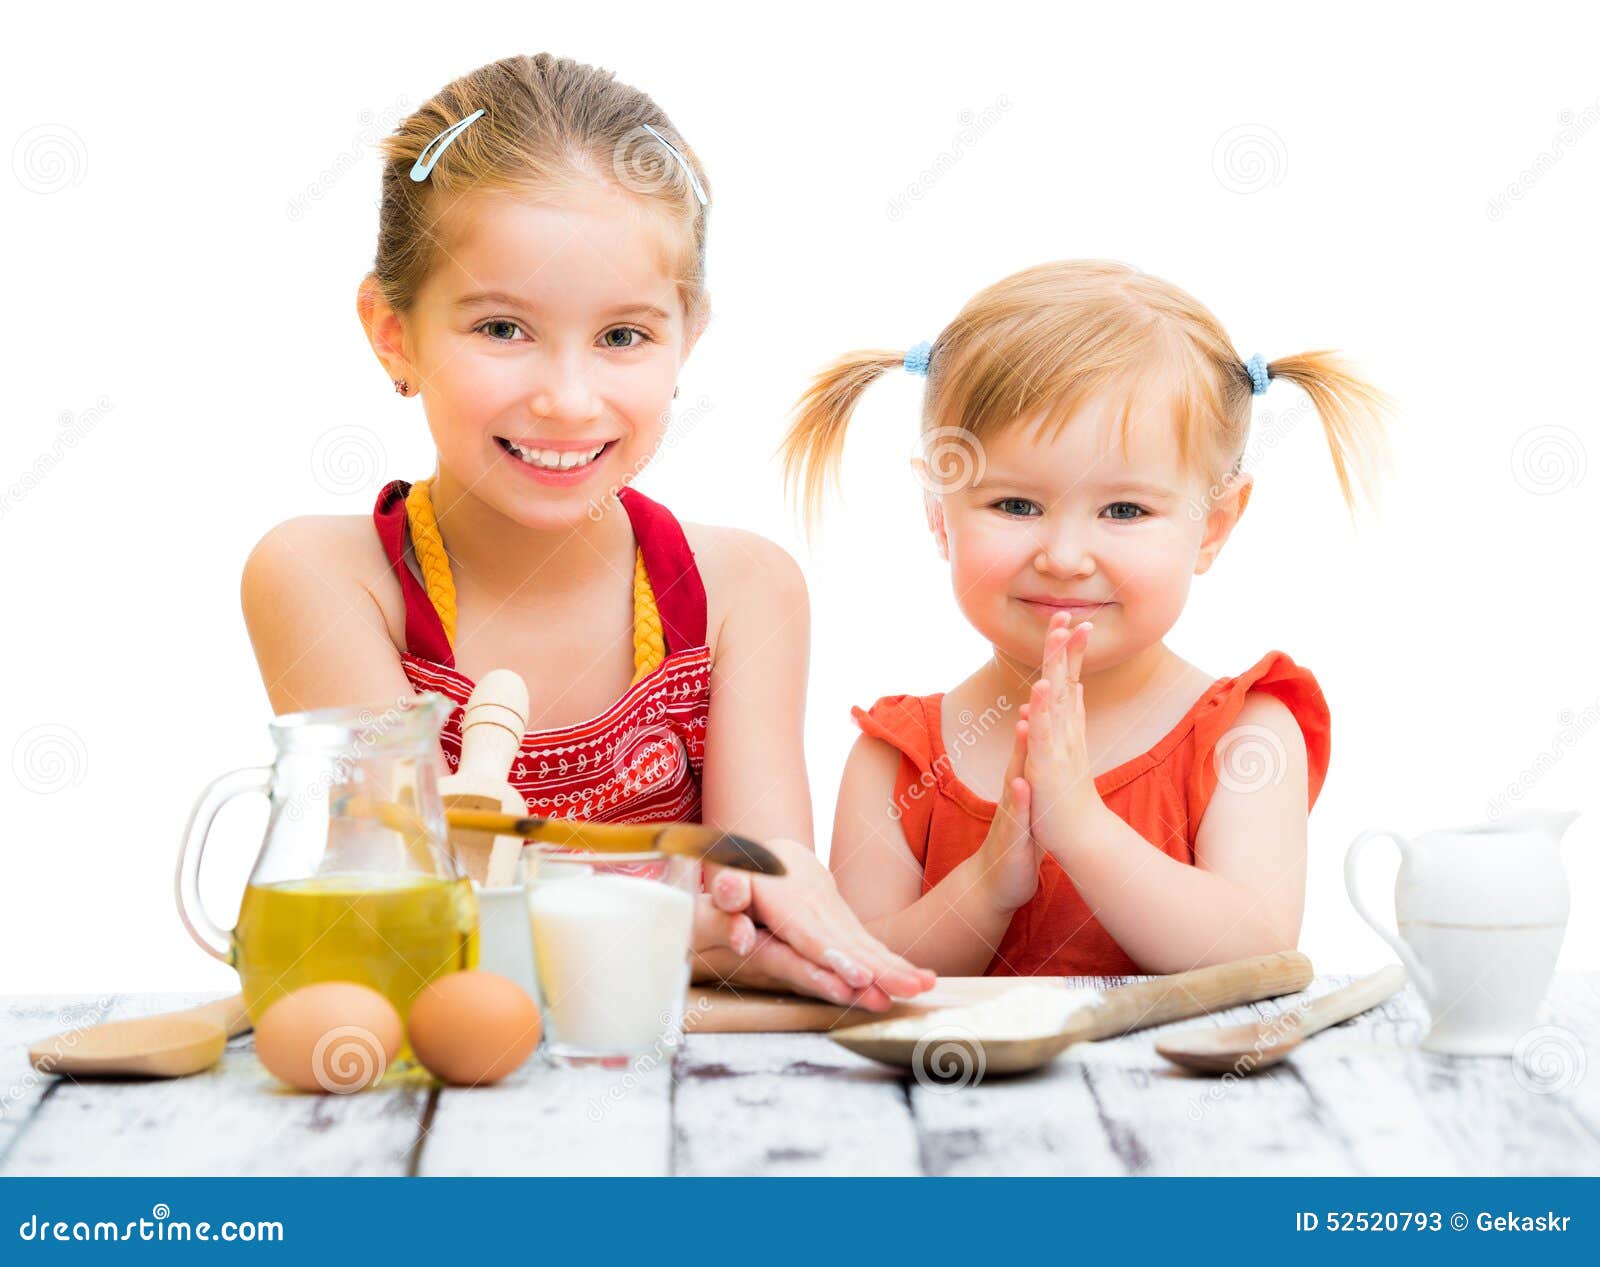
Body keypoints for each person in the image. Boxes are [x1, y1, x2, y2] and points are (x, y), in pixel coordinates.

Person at [242, 53, 934, 1010]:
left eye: (622, 337)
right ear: (393, 331)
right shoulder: (323, 576)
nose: (568, 400)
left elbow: (766, 887)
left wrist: (767, 915)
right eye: (501, 328)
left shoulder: (744, 590)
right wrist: (690, 929)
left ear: (687, 336)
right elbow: (411, 910)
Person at [782, 260, 1391, 976]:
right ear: (939, 518)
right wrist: (986, 885)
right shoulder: (895, 763)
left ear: (1213, 525)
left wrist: (1083, 828)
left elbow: (1253, 952)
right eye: (1016, 505)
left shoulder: (1247, 736)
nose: (1065, 556)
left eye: (1125, 510)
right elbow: (858, 972)